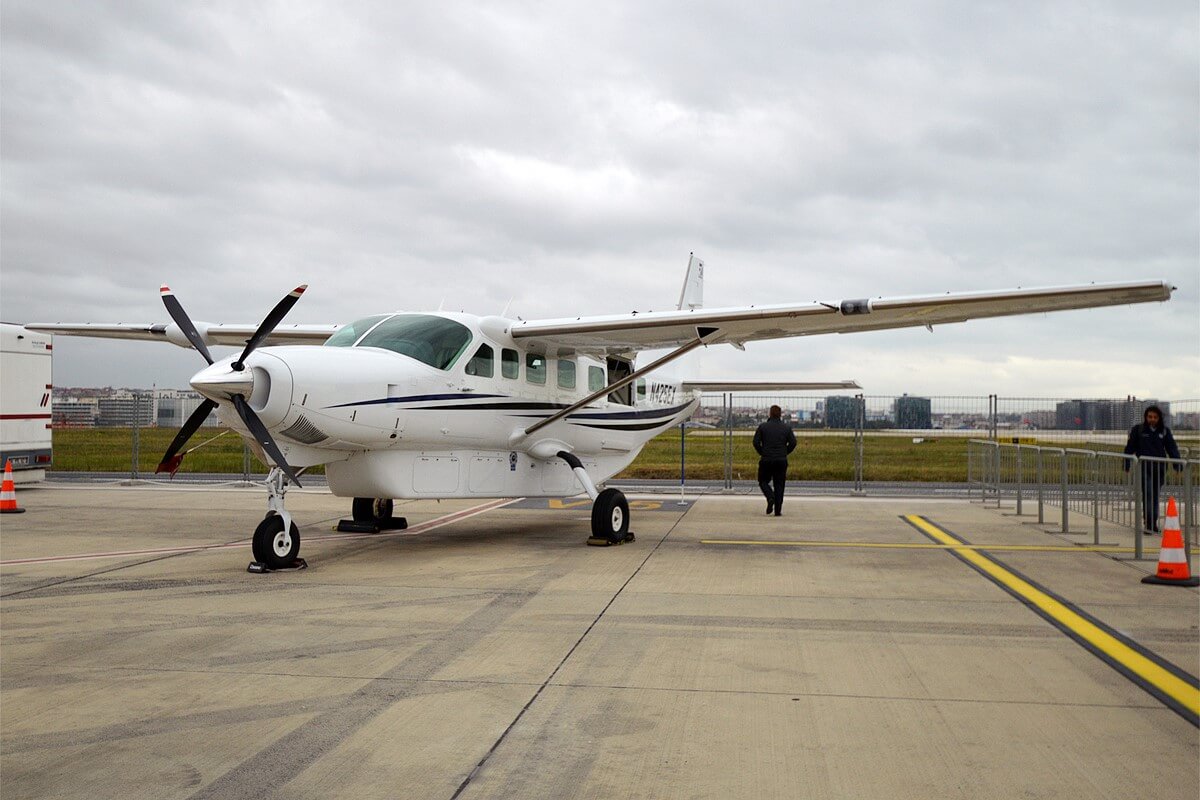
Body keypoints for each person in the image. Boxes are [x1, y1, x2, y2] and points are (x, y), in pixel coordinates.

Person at [1123, 404, 1182, 534]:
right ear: (1146, 417)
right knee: (1148, 494)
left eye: (1155, 417)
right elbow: (1129, 449)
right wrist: (1126, 464)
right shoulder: (1138, 430)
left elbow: (1172, 448)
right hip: (1144, 469)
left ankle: (1152, 522)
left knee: (1155, 496)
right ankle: (1149, 524)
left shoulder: (1164, 431)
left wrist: (1177, 465)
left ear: (1159, 418)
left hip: (1159, 469)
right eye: (1150, 417)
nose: (1152, 419)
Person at [753, 405, 796, 516]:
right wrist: (785, 452)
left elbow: (755, 442)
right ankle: (778, 510)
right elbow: (793, 443)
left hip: (766, 459)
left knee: (762, 481)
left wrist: (762, 452)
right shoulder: (786, 428)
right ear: (780, 414)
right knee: (779, 485)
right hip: (781, 460)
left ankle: (770, 496)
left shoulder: (763, 427)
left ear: (770, 414)